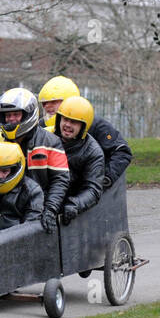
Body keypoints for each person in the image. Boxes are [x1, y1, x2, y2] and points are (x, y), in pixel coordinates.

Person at [0, 87, 69, 233]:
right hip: (8, 210)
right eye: (7, 115)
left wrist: (50, 211)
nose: (11, 119)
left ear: (28, 114)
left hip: (40, 209)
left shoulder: (51, 142)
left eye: (16, 114)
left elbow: (60, 181)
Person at [37, 75, 133, 187]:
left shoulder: (95, 124)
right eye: (44, 103)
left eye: (54, 101)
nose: (47, 106)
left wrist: (104, 178)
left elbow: (121, 151)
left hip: (95, 190)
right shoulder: (41, 126)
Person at [52, 96, 104, 225]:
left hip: (70, 205)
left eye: (74, 122)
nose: (68, 125)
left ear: (83, 126)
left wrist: (74, 204)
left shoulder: (94, 152)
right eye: (65, 119)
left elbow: (93, 189)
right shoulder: (46, 139)